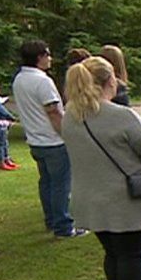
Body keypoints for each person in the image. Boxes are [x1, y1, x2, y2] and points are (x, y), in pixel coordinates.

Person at [61, 56, 141, 280]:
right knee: (130, 255)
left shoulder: (71, 115)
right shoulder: (120, 115)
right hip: (122, 199)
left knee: (113, 254)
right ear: (110, 81)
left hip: (88, 197)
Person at [12, 40, 85, 238]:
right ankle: (63, 226)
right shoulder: (42, 81)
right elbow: (53, 112)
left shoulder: (19, 79)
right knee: (61, 184)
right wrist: (67, 134)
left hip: (36, 140)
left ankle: (51, 220)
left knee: (47, 183)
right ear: (40, 57)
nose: (50, 59)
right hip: (53, 140)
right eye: (48, 55)